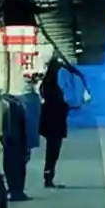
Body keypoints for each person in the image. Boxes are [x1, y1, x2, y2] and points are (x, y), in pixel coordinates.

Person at [38, 55, 88, 189]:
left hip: (48, 118)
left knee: (51, 150)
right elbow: (67, 96)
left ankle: (48, 176)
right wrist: (74, 104)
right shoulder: (61, 75)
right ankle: (48, 178)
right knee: (53, 151)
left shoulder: (48, 80)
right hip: (56, 119)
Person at [0, 89, 29, 201]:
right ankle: (16, 191)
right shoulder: (14, 106)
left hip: (10, 141)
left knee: (10, 165)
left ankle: (13, 189)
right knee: (17, 166)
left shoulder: (8, 105)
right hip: (15, 141)